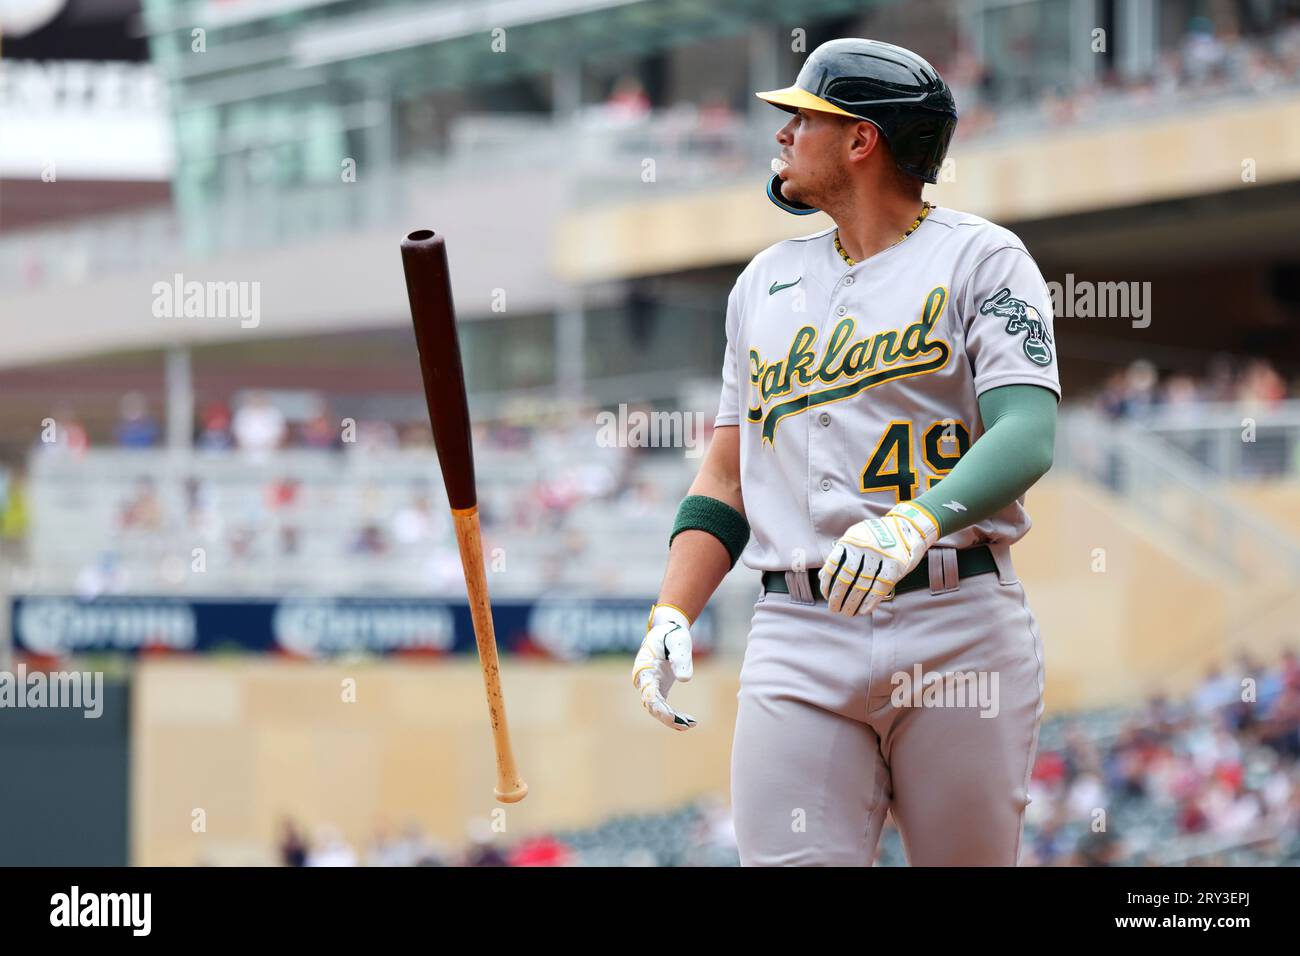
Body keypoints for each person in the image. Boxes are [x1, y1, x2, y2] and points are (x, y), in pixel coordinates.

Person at [632, 38, 1060, 866]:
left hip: (956, 622)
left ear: (862, 140)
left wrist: (915, 523)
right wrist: (673, 609)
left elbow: (1027, 433)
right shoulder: (763, 282)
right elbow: (726, 473)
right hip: (798, 626)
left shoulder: (984, 257)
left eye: (805, 116)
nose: (785, 131)